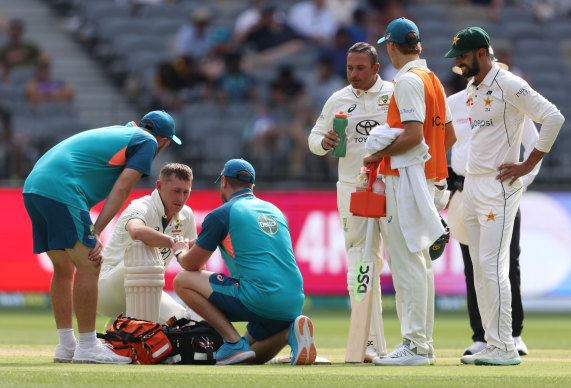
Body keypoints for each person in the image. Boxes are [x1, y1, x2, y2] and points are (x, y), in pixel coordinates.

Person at [444, 27, 564, 365]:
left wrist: (528, 165)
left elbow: (553, 116)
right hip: (471, 186)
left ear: (481, 53)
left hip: (499, 186)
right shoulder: (473, 90)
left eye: (463, 57)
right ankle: (490, 342)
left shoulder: (509, 84)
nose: (459, 64)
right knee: (479, 269)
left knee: (494, 266)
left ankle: (507, 345)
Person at [22, 110, 181, 364]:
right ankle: (87, 346)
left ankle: (66, 345)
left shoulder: (122, 132)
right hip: (61, 189)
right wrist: (95, 230)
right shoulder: (148, 141)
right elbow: (122, 187)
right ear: (164, 141)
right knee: (91, 263)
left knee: (63, 267)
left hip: (33, 187)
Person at [363, 17, 456, 366]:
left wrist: (377, 153)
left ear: (390, 46)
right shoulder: (433, 80)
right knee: (420, 265)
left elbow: (414, 135)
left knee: (407, 265)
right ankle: (422, 345)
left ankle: (415, 346)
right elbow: (447, 137)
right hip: (429, 180)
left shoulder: (406, 82)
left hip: (407, 182)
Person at [170, 159, 317, 365]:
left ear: (224, 182)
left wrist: (179, 252)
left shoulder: (222, 213)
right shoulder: (274, 211)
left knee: (182, 280)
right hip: (293, 301)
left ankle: (232, 342)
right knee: (246, 359)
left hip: (259, 297)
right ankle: (291, 332)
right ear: (252, 186)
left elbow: (191, 265)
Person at [308, 41, 393, 362]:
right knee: (360, 261)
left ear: (375, 68)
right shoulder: (338, 99)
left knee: (399, 262)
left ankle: (413, 343)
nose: (353, 74)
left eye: (360, 68)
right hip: (352, 188)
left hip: (390, 186)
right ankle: (369, 342)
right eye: (349, 68)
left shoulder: (395, 94)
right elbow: (314, 138)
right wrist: (323, 141)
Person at [97, 163, 197, 324]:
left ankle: (114, 338)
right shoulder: (142, 206)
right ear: (159, 186)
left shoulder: (187, 215)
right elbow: (136, 231)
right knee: (144, 254)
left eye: (186, 192)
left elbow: (194, 263)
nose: (181, 198)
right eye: (176, 191)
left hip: (148, 289)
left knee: (185, 326)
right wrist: (174, 243)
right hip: (105, 289)